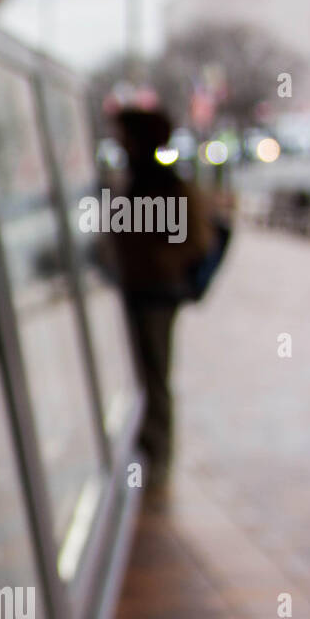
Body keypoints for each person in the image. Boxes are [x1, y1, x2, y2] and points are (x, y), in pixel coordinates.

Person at [111, 107, 215, 498]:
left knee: (155, 373)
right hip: (139, 291)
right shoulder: (139, 182)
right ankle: (148, 445)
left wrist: (156, 261)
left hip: (157, 294)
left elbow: (195, 241)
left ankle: (159, 454)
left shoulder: (168, 185)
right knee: (144, 371)